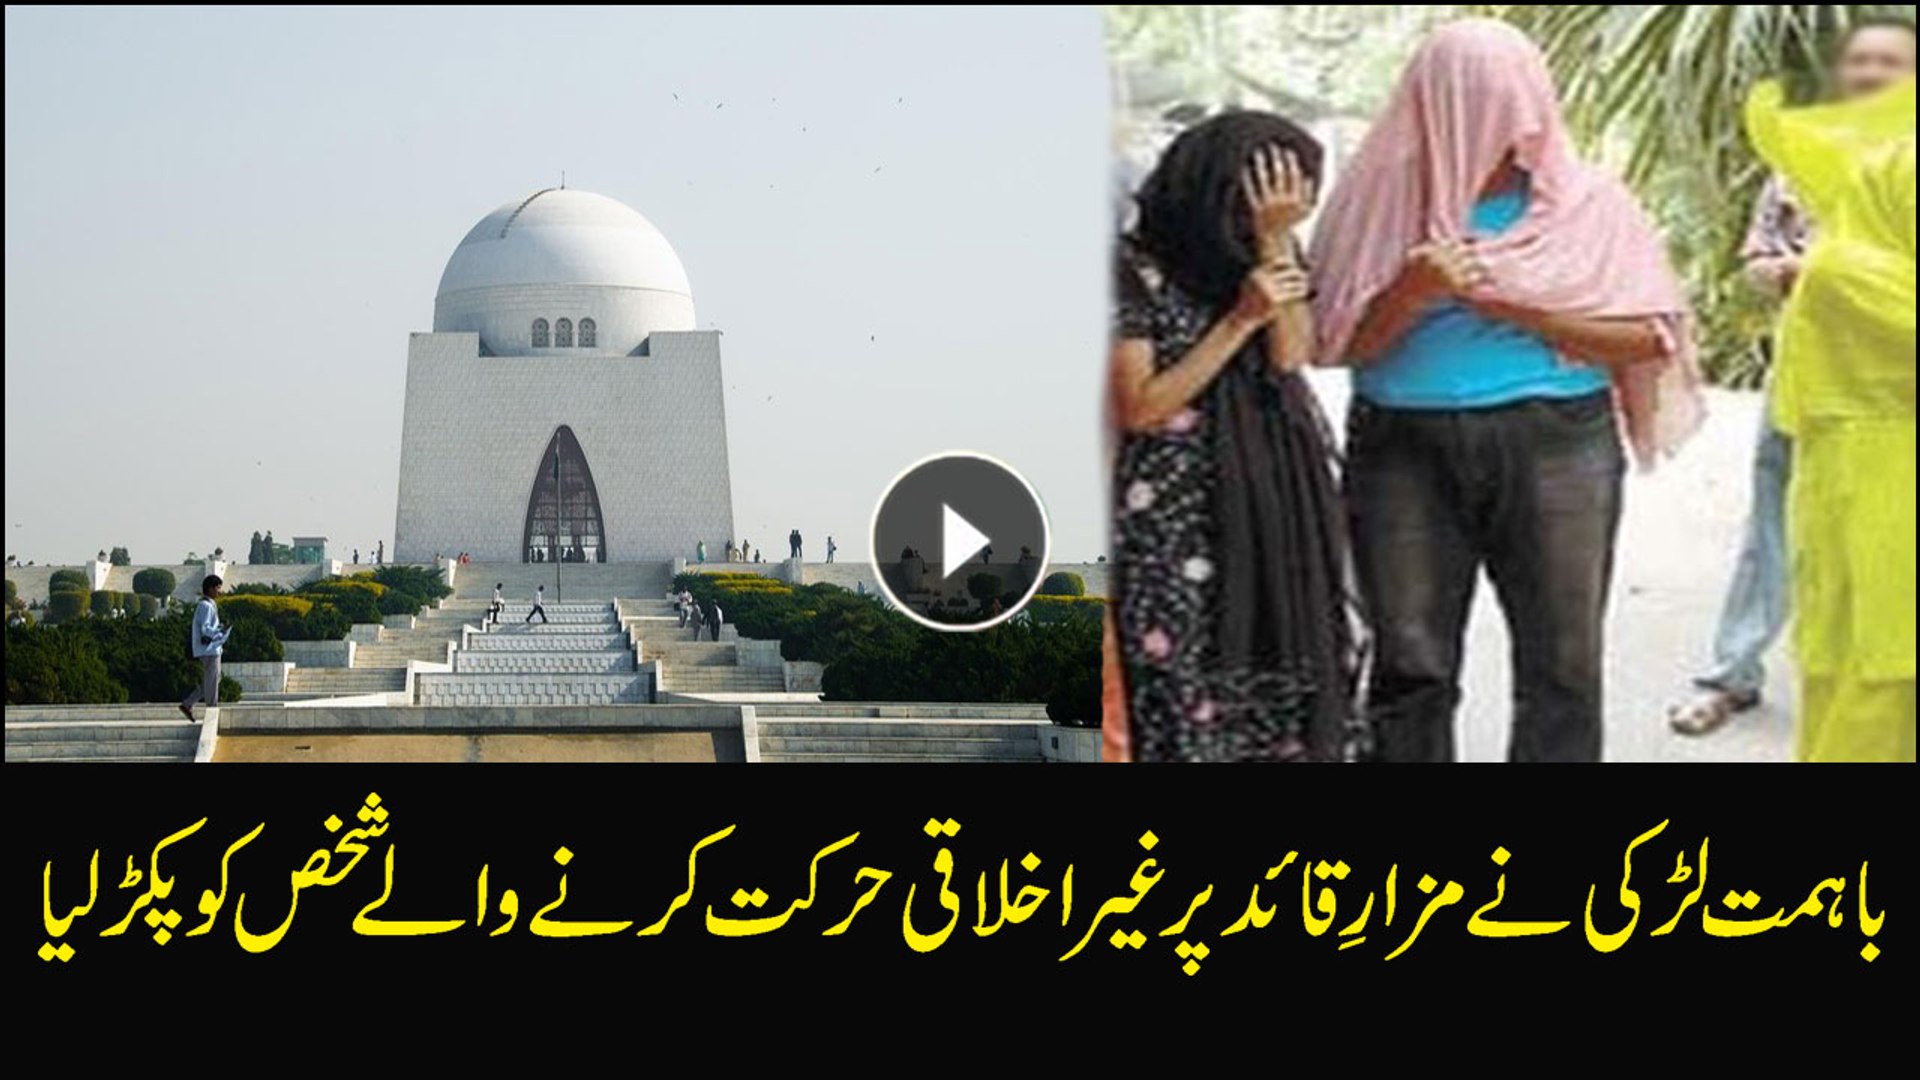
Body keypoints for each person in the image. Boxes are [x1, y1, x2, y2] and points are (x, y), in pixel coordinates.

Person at [1309, 20, 1703, 763]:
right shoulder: (1374, 202)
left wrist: (1516, 307)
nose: (1490, 113)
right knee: (1410, 662)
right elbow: (1336, 345)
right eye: (1466, 96)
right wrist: (1415, 289)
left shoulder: (1586, 203)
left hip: (1558, 440)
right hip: (1403, 446)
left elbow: (1652, 338)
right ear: (1424, 98)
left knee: (1563, 663)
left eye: (1504, 95)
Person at [1671, 16, 1917, 737]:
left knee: (1875, 644)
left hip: (1880, 428)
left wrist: (1834, 275)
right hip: (1825, 409)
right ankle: (1734, 666)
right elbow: (1758, 258)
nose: (1873, 74)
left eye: (1891, 62)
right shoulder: (1820, 173)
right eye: (1862, 62)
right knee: (1826, 604)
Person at [1111, 110, 1367, 763]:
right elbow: (1142, 405)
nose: (1265, 213)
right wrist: (1238, 319)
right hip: (1174, 502)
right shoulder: (1134, 268)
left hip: (1275, 486)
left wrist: (1276, 243)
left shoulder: (1264, 250)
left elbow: (1290, 354)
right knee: (1181, 661)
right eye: (1258, 195)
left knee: (1282, 650)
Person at [1746, 63, 1914, 761]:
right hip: (1860, 482)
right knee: (1865, 674)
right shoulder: (1854, 259)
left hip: (1878, 479)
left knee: (1870, 674)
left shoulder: (1852, 260)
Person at [178, 574, 230, 720]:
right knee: (212, 680)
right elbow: (206, 629)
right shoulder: (205, 606)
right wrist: (219, 632)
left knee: (213, 679)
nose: (220, 591)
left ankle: (188, 703)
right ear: (211, 589)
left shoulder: (208, 605)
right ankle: (212, 710)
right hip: (209, 650)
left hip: (211, 649)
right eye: (218, 588)